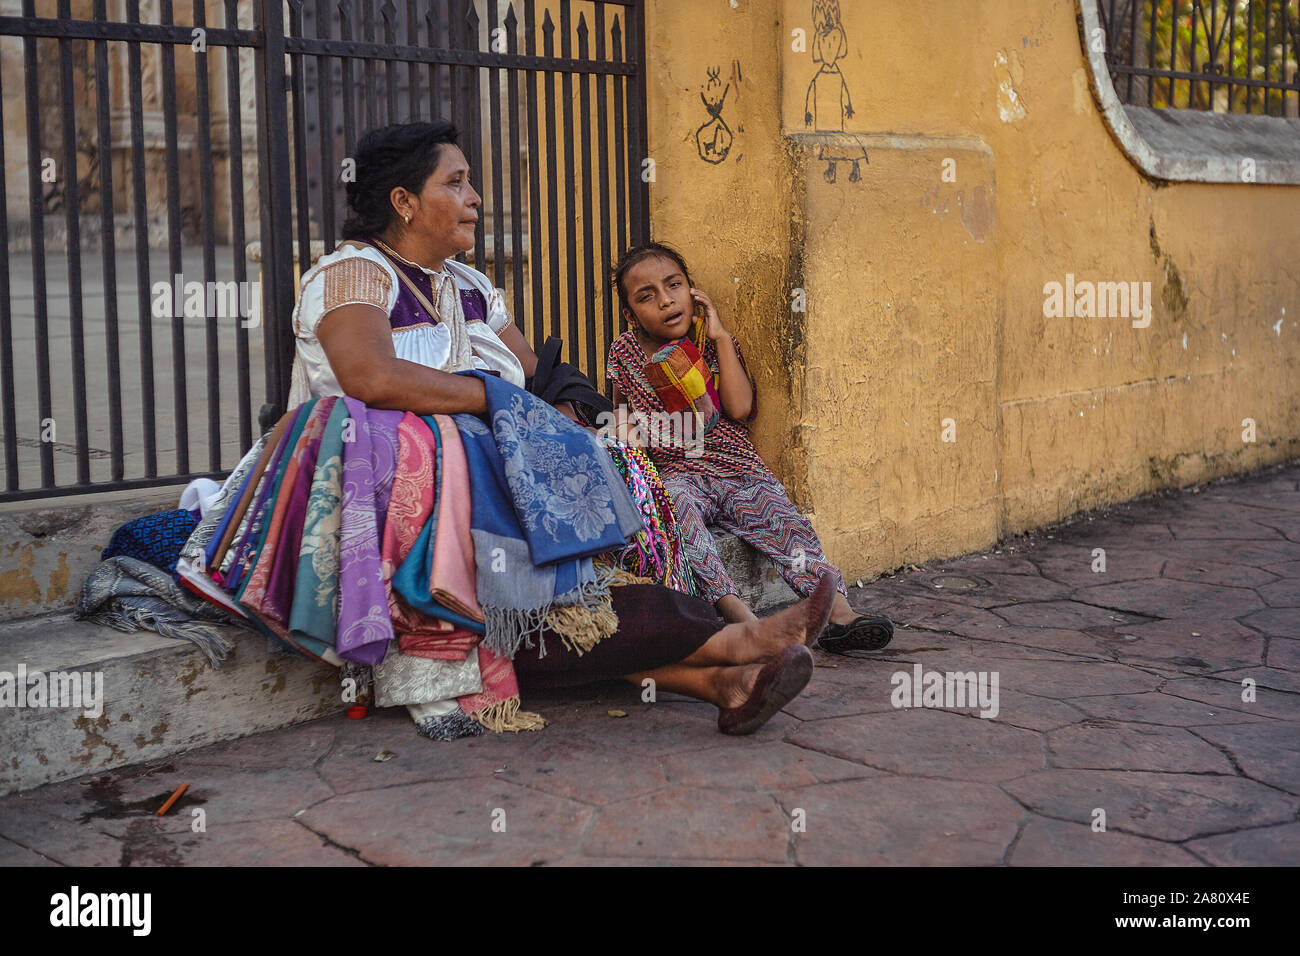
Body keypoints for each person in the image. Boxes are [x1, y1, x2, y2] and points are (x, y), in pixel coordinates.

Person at [185, 122, 831, 737]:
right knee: (530, 604)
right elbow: (369, 377)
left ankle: (727, 683)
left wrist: (584, 425)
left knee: (552, 602)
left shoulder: (469, 287)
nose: (475, 198)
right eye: (456, 182)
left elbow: (537, 376)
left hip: (478, 504)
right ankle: (736, 645)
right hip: (385, 517)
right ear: (405, 202)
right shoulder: (353, 272)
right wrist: (494, 402)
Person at [605, 241, 893, 652]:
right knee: (677, 516)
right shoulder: (625, 353)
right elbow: (620, 408)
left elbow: (739, 408)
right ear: (631, 314)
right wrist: (624, 435)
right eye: (647, 297)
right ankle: (744, 622)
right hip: (677, 472)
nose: (667, 301)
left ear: (693, 292)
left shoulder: (712, 344)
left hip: (738, 469)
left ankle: (839, 612)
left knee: (786, 523)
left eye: (674, 286)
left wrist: (720, 334)